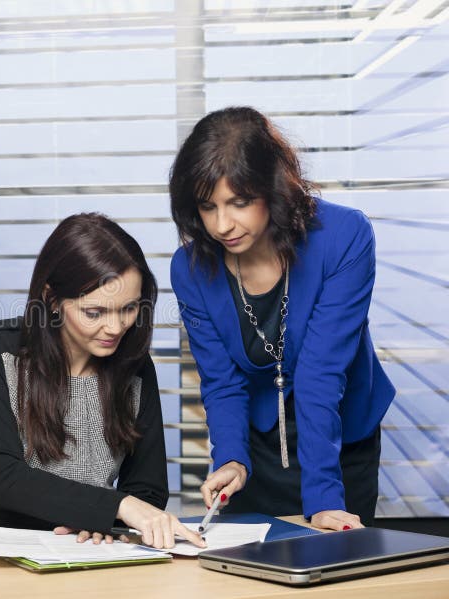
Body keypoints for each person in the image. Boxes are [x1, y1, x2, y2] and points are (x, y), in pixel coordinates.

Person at [169, 106, 395, 530]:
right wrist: (232, 458)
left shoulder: (345, 237)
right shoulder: (190, 268)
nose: (222, 224)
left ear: (272, 187)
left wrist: (324, 497)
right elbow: (221, 380)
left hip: (340, 437)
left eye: (239, 202)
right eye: (207, 206)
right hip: (257, 443)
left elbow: (321, 373)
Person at [0, 213, 205, 550]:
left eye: (129, 308)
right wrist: (111, 508)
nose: (116, 327)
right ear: (52, 300)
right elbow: (4, 477)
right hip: (10, 551)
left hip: (96, 550)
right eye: (94, 313)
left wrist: (105, 523)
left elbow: (148, 487)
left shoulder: (134, 364)